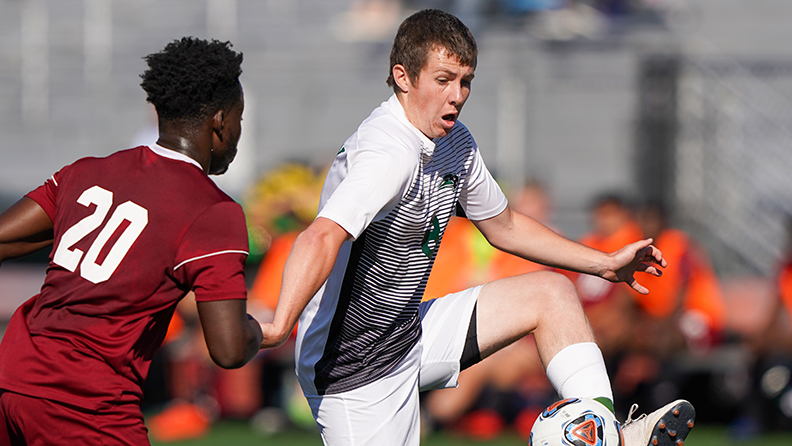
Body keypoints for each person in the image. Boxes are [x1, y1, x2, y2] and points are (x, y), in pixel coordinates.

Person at [257, 9, 694, 446]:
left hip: (408, 333)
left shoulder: (454, 143)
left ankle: (608, 433)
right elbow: (320, 235)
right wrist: (279, 326)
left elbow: (504, 225)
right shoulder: (387, 152)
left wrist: (603, 263)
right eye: (443, 80)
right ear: (403, 77)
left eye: (465, 81)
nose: (457, 95)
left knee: (550, 293)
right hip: (352, 367)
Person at [0, 37, 263, 445]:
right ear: (220, 120)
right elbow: (228, 350)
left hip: (13, 378)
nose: (238, 131)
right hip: (86, 402)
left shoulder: (85, 171)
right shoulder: (214, 210)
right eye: (239, 118)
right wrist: (261, 331)